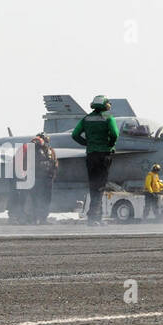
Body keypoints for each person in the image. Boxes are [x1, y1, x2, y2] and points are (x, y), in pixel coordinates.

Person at [71, 95, 120, 226]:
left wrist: (86, 143)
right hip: (104, 155)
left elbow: (75, 135)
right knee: (100, 187)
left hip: (91, 155)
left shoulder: (86, 119)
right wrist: (110, 144)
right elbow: (115, 134)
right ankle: (94, 218)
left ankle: (94, 217)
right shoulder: (108, 118)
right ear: (106, 105)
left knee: (94, 186)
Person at [29, 133, 58, 224]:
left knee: (46, 199)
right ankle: (34, 218)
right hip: (36, 178)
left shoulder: (50, 151)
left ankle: (43, 219)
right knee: (35, 198)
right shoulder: (32, 151)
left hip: (47, 179)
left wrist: (52, 175)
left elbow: (55, 163)